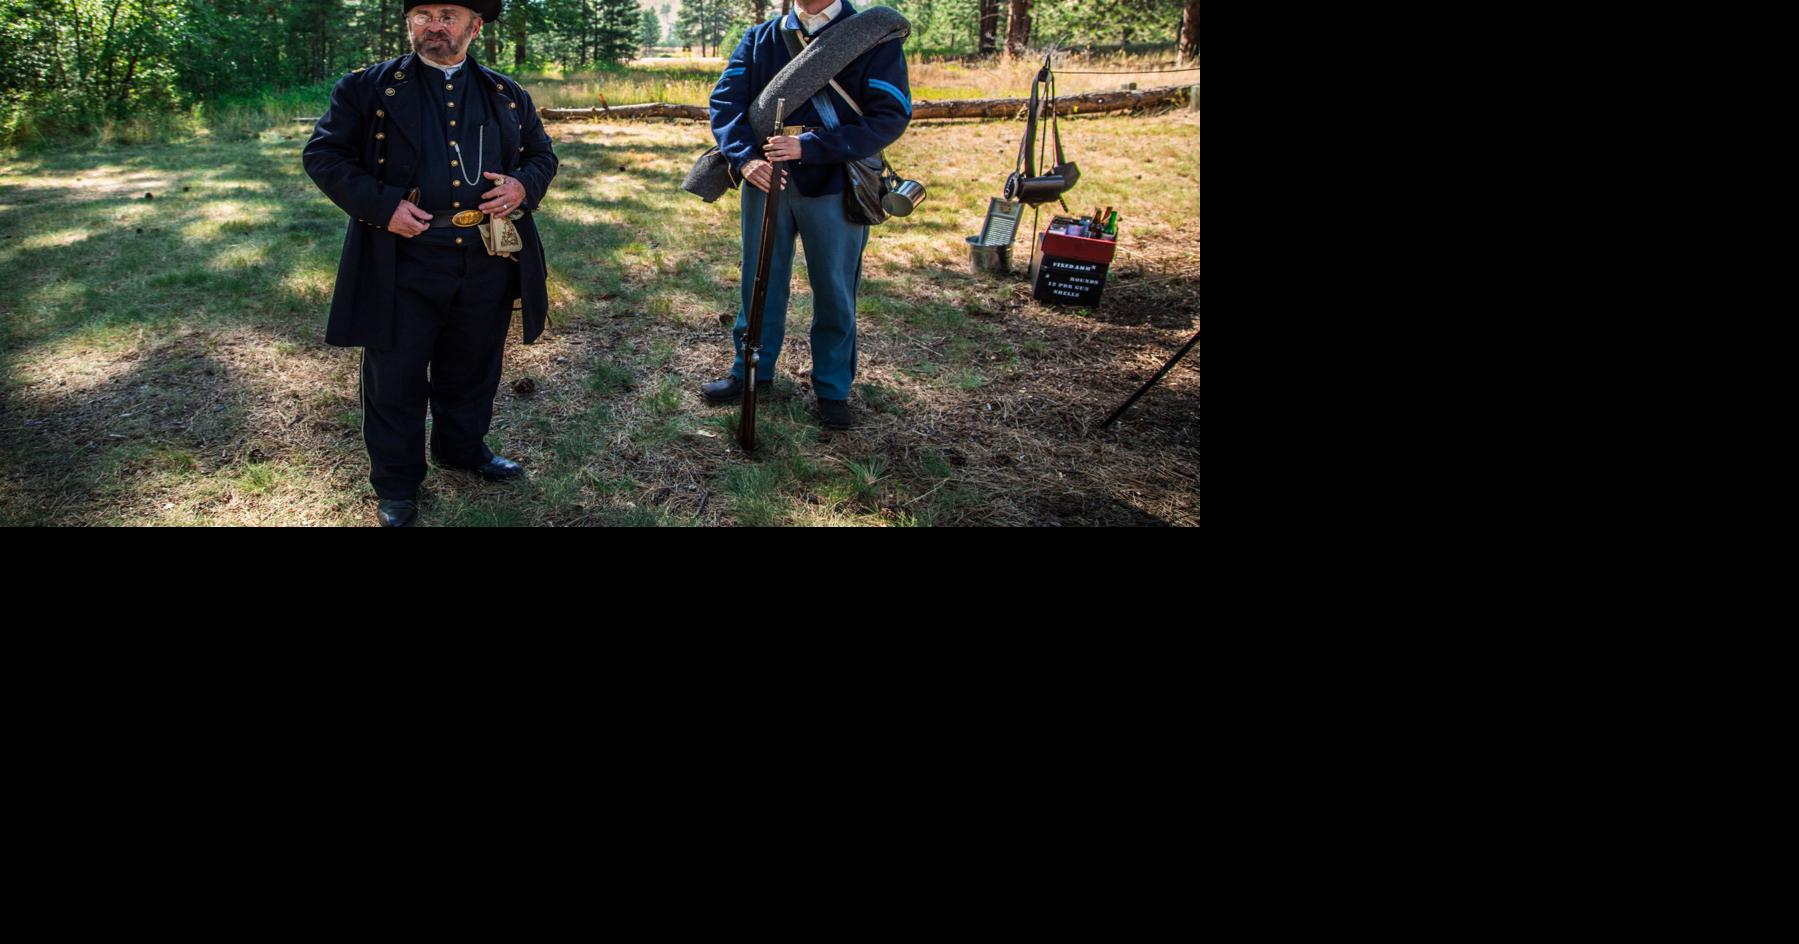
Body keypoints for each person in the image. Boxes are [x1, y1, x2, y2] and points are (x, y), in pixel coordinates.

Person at [304, 1, 559, 528]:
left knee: (473, 364)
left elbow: (541, 156)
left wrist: (522, 186)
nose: (434, 26)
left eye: (447, 15)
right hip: (401, 256)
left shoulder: (506, 93)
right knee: (395, 375)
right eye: (422, 14)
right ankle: (397, 484)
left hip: (487, 254)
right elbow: (323, 155)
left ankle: (461, 450)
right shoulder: (367, 89)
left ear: (474, 26)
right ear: (409, 24)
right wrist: (383, 207)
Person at [699, 0, 912, 430]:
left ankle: (832, 388)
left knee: (834, 290)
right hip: (764, 178)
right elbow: (726, 103)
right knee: (758, 282)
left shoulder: (871, 35)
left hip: (836, 181)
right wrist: (744, 159)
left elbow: (890, 116)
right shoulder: (761, 38)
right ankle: (751, 371)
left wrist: (810, 147)